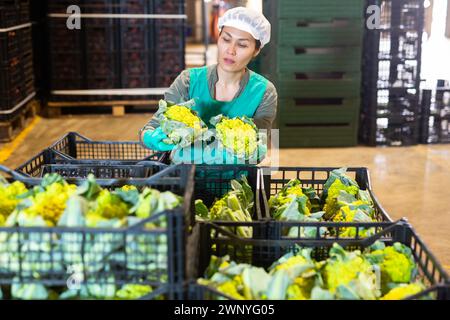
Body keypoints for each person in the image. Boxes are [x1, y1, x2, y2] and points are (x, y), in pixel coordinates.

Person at [140, 6, 277, 162]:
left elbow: (259, 141)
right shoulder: (188, 81)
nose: (230, 50)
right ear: (218, 38)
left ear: (256, 50)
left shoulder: (264, 91)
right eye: (226, 39)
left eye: (242, 45)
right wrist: (149, 138)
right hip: (184, 176)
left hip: (236, 180)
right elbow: (152, 127)